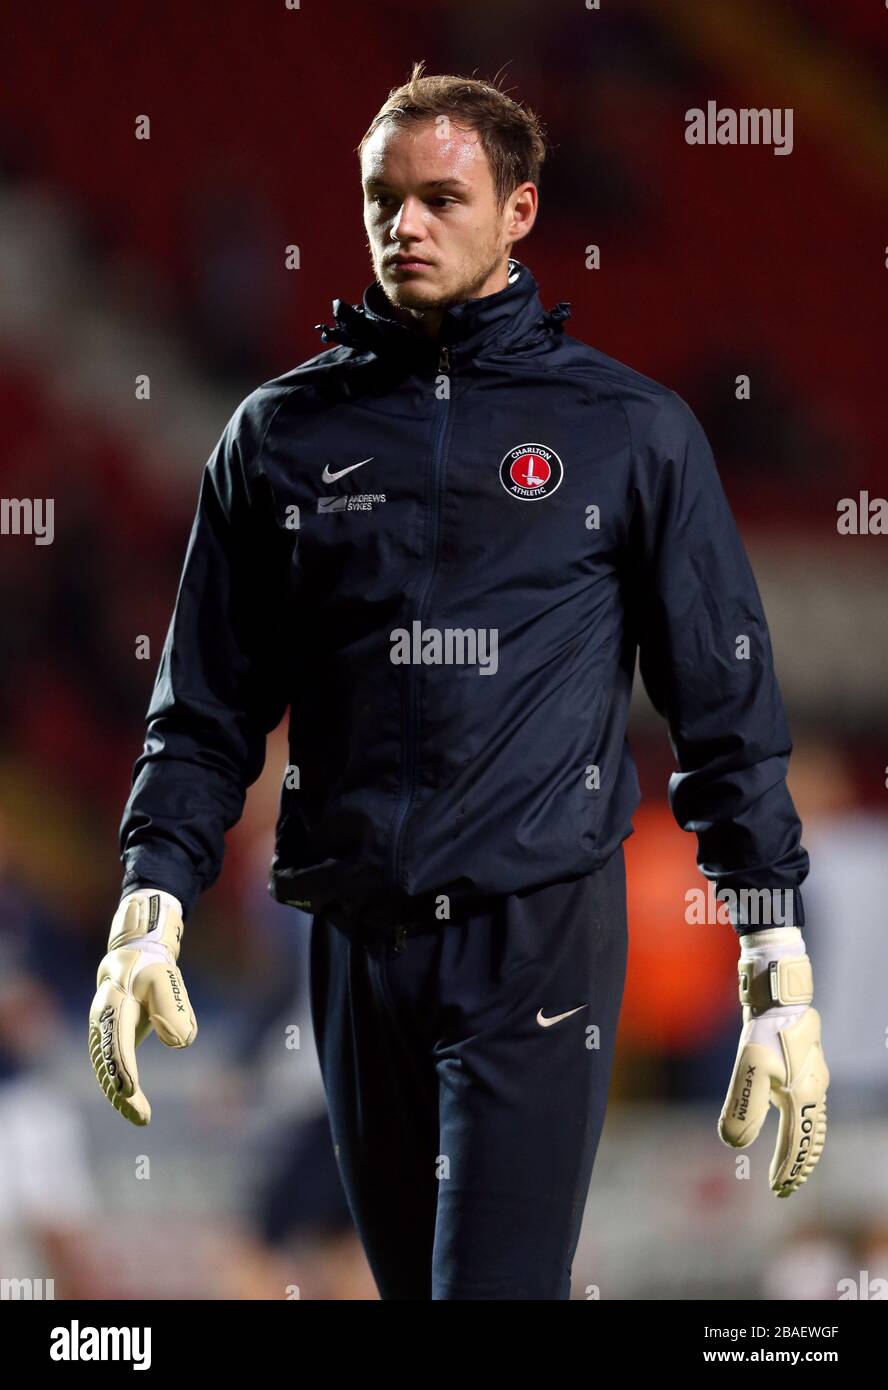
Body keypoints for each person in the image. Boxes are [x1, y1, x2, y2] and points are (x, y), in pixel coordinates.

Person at [89, 63, 829, 1301]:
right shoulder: (278, 437)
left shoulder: (628, 431)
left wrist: (775, 953)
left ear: (521, 212)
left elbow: (724, 707)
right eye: (385, 199)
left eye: (441, 197)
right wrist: (149, 894)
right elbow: (207, 704)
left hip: (534, 933)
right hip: (354, 935)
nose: (406, 225)